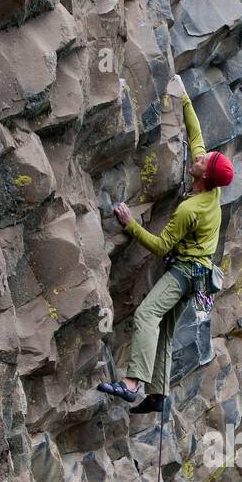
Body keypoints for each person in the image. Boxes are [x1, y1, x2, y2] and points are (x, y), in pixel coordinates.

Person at [99, 74, 235, 413]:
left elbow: (161, 247)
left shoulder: (191, 209)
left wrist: (130, 225)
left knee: (147, 314)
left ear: (205, 176)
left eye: (204, 161)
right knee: (165, 328)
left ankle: (133, 384)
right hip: (199, 275)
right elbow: (197, 135)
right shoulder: (211, 186)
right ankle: (158, 395)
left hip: (186, 273)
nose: (199, 157)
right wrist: (184, 97)